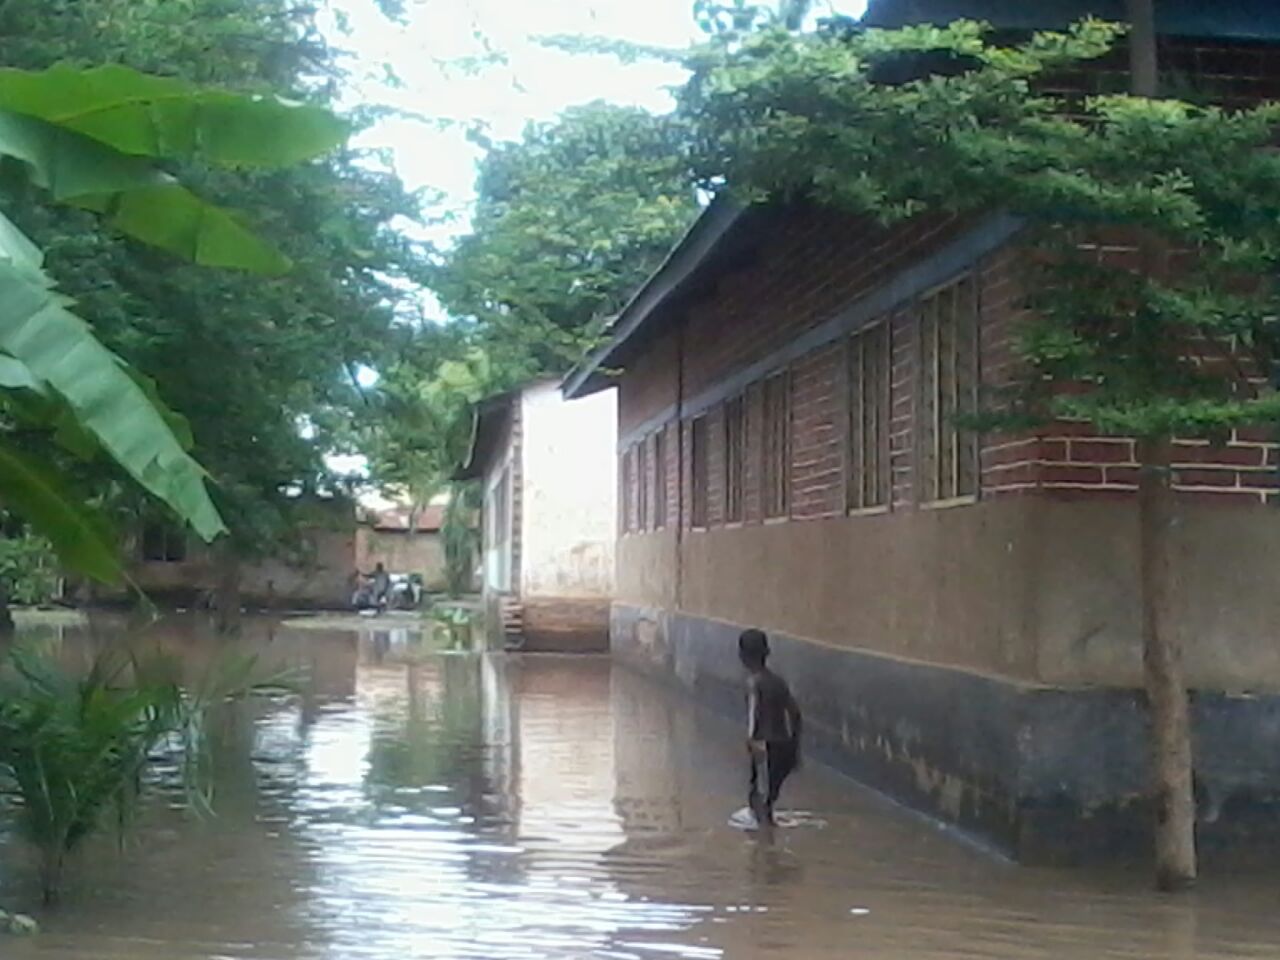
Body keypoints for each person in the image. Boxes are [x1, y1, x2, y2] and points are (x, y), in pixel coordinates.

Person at [739, 628, 802, 828]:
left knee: (757, 801)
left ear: (743, 656)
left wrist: (750, 740)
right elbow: (796, 714)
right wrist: (795, 747)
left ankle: (765, 851)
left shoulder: (753, 683)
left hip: (763, 747)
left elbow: (753, 712)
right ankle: (769, 841)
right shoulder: (779, 682)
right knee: (770, 797)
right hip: (783, 744)